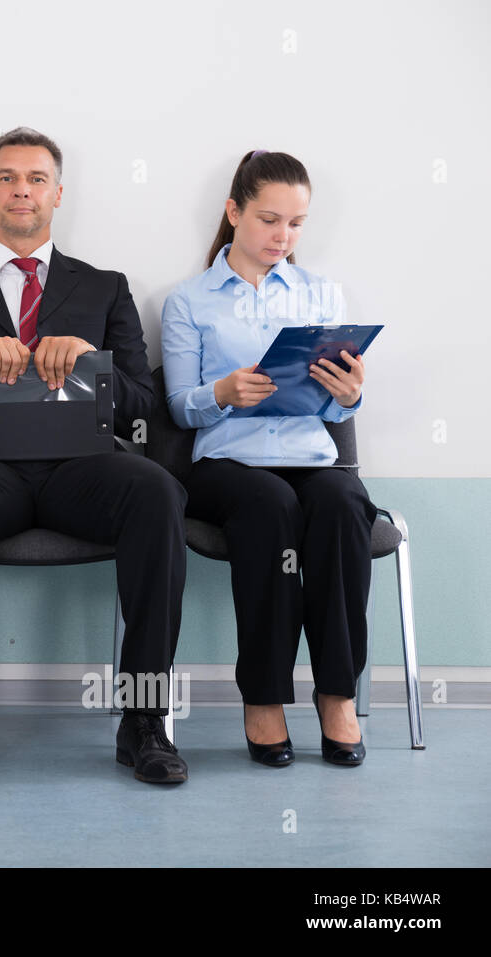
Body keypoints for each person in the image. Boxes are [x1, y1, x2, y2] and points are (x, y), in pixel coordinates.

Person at [0, 127, 190, 784]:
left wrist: (91, 359)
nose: (21, 189)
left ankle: (143, 720)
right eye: (7, 177)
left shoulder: (106, 288)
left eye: (34, 178)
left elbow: (144, 405)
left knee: (157, 491)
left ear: (58, 192)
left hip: (77, 470)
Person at [161, 149, 372, 768]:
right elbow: (177, 406)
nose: (284, 237)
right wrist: (221, 394)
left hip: (311, 460)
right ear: (234, 212)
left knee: (340, 504)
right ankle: (265, 699)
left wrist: (348, 396)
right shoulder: (190, 301)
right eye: (269, 219)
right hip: (227, 469)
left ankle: (338, 695)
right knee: (269, 504)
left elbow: (336, 410)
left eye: (297, 224)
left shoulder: (320, 294)